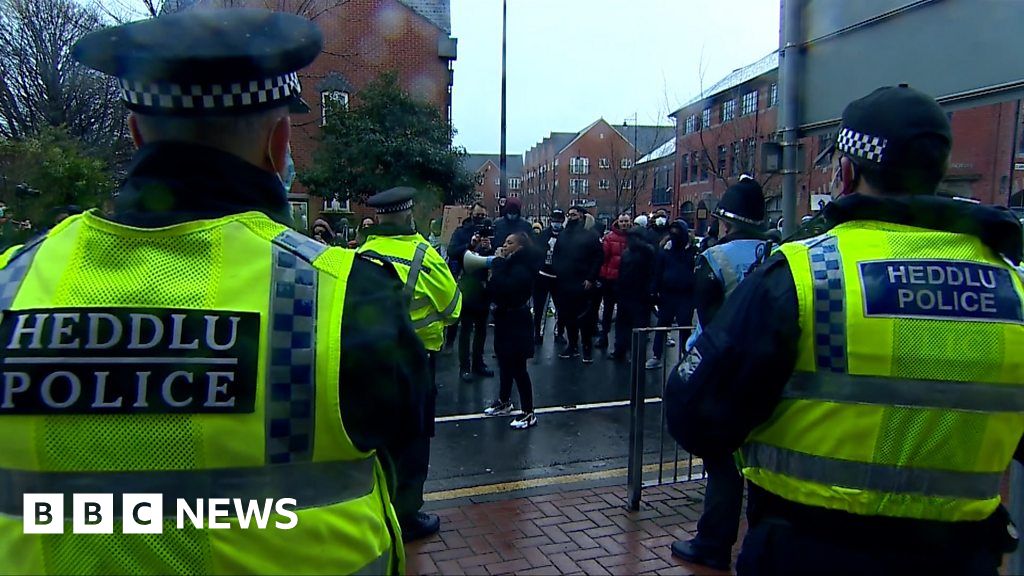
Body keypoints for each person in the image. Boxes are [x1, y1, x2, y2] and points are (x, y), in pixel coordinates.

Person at [0, 9, 429, 575]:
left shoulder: (13, 284)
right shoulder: (345, 296)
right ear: (279, 145)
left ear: (135, 132)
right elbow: (403, 470)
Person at [666, 85, 1024, 575]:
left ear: (847, 172)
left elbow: (695, 413)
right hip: (959, 557)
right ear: (935, 172)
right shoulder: (1014, 287)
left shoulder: (805, 274)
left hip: (808, 551)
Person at [665, 175, 768, 570]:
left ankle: (713, 542)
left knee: (722, 465)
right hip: (766, 367)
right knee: (759, 462)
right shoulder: (781, 252)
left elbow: (709, 324)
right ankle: (757, 538)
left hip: (722, 375)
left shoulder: (713, 258)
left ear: (727, 221)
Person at [358, 187, 461, 542]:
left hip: (370, 361)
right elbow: (452, 308)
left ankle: (377, 507)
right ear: (407, 215)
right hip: (416, 362)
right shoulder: (425, 254)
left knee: (379, 437)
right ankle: (406, 516)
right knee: (414, 439)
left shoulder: (361, 253)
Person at [483, 232, 540, 429]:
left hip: (518, 320)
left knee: (518, 368)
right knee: (505, 363)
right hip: (504, 318)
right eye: (504, 242)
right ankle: (504, 400)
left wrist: (498, 265)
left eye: (509, 243)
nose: (504, 245)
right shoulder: (510, 264)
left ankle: (528, 412)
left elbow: (506, 288)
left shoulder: (523, 267)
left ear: (520, 247)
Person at [448, 203, 495, 382]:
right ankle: (464, 367)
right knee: (466, 329)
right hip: (467, 285)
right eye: (477, 215)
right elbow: (453, 251)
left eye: (483, 215)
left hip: (484, 286)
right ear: (471, 214)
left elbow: (498, 254)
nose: (480, 218)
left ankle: (478, 363)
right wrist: (470, 244)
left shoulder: (491, 231)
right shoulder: (461, 232)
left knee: (482, 329)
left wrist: (489, 247)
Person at [551, 205, 603, 363]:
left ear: (581, 216)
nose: (571, 217)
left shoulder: (590, 236)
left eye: (574, 214)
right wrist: (557, 273)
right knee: (567, 317)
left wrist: (591, 278)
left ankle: (587, 349)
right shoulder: (563, 235)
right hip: (565, 282)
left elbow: (598, 258)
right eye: (570, 214)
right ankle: (572, 346)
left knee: (584, 318)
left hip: (583, 283)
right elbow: (556, 255)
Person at [647, 219, 697, 369]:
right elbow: (657, 272)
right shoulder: (665, 251)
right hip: (667, 294)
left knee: (685, 327)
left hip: (686, 295)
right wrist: (653, 291)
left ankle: (685, 356)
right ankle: (656, 355)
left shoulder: (692, 252)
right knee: (662, 325)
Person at [609, 227, 656, 361]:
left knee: (638, 326)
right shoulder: (627, 253)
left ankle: (635, 353)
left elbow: (653, 272)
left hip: (641, 295)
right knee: (622, 324)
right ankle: (620, 350)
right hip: (626, 293)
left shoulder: (647, 251)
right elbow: (622, 272)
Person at [595, 212, 630, 349]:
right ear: (618, 222)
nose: (624, 224)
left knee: (623, 312)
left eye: (626, 221)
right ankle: (604, 337)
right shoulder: (609, 238)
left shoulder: (633, 237)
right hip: (610, 279)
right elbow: (603, 258)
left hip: (625, 280)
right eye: (622, 221)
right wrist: (602, 276)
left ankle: (620, 342)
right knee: (608, 310)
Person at [533, 208, 565, 344]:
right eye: (554, 220)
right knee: (539, 308)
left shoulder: (566, 236)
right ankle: (538, 333)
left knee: (561, 308)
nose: (556, 223)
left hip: (559, 277)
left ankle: (559, 333)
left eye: (558, 220)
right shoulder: (543, 235)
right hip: (542, 275)